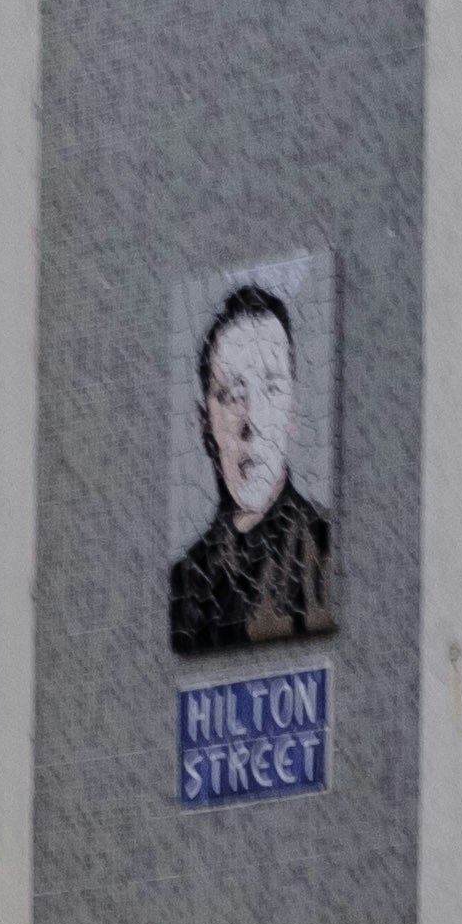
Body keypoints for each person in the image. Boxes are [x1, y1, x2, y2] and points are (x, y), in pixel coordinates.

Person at [169, 278, 337, 652]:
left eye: (272, 389)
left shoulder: (331, 553)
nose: (253, 421)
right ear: (204, 423)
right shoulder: (183, 585)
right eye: (232, 395)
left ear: (293, 410)